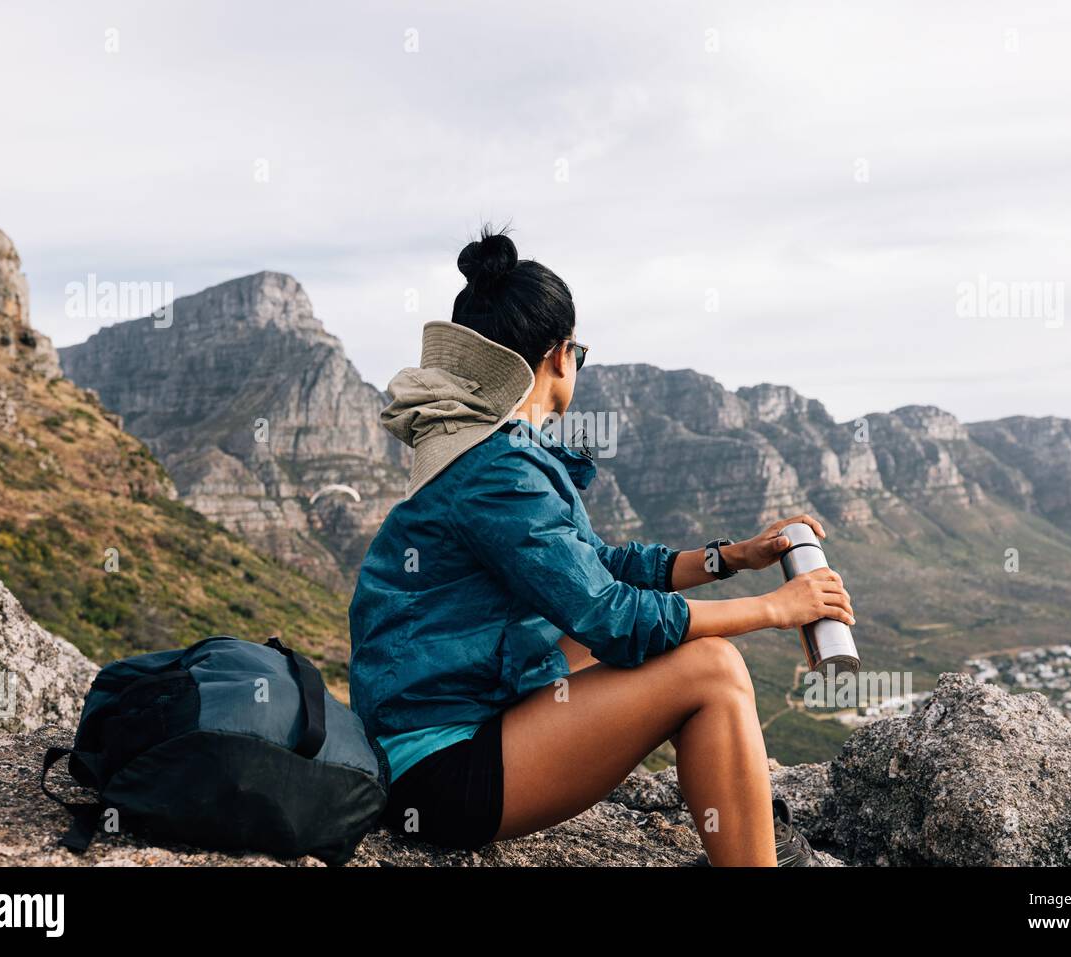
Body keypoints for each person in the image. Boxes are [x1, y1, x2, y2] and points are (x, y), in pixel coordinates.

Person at [348, 225, 855, 866]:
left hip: (442, 730)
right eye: (578, 354)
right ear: (559, 357)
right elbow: (613, 618)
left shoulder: (485, 450)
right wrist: (776, 609)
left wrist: (730, 558)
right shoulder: (495, 471)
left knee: (632, 642)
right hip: (438, 771)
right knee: (712, 669)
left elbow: (595, 570)